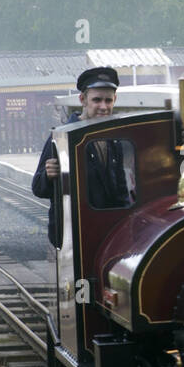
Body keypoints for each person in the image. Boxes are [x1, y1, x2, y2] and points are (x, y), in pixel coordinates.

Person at [32, 66, 131, 243]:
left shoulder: (114, 139)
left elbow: (121, 189)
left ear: (115, 100)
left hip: (108, 232)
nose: (103, 106)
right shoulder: (62, 137)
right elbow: (38, 188)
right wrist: (48, 176)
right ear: (82, 99)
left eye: (108, 100)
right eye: (97, 100)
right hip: (75, 235)